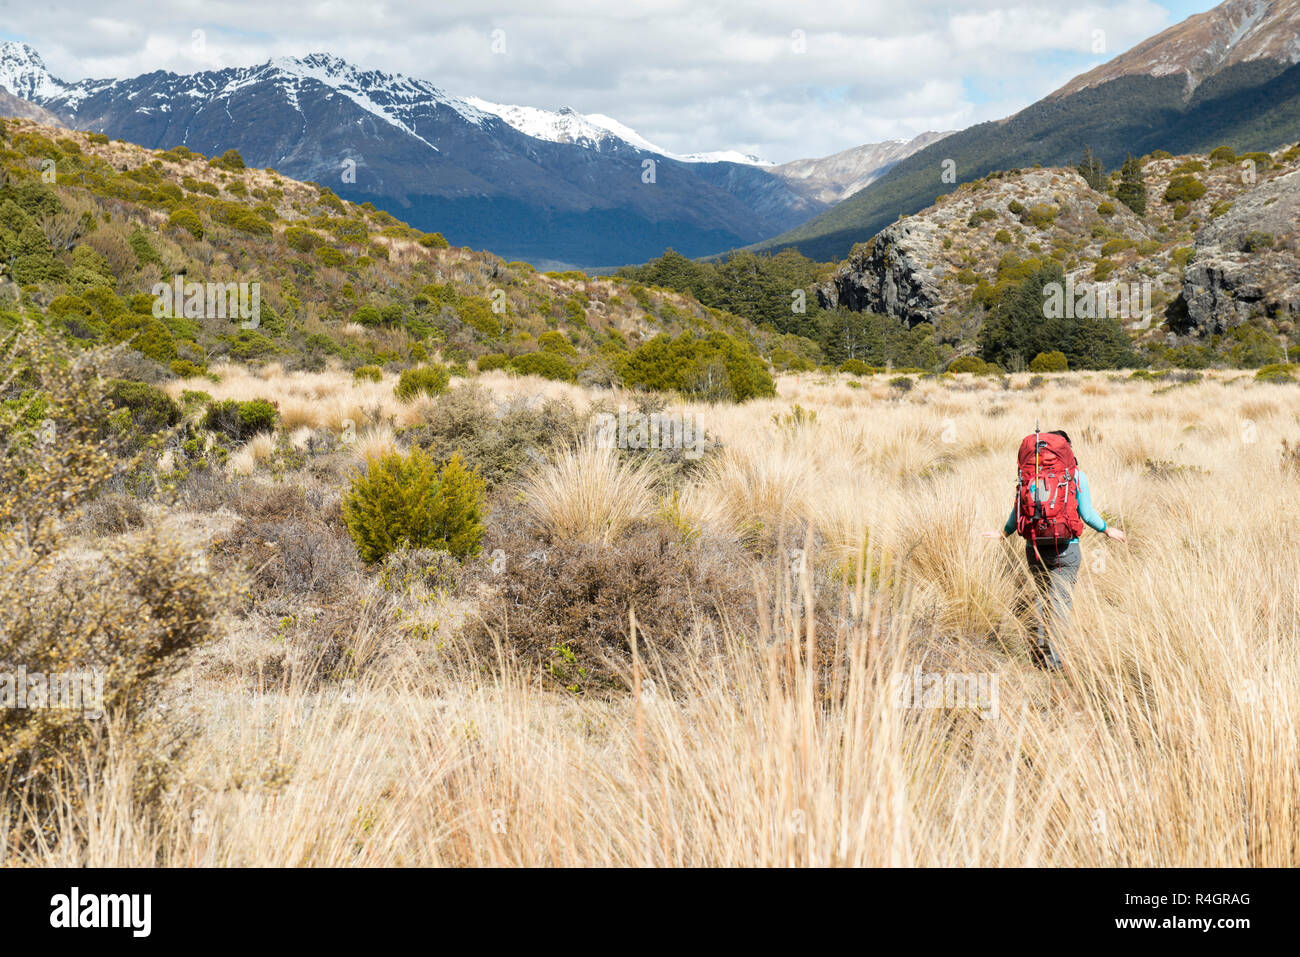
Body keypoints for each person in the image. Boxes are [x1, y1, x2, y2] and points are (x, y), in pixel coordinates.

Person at [983, 430, 1126, 670]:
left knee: (1041, 598)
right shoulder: (1076, 476)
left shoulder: (1029, 475)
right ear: (1067, 450)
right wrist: (1106, 529)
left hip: (1034, 547)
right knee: (1059, 602)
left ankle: (1039, 656)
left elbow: (1017, 510)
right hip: (1065, 550)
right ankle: (1056, 661)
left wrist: (1003, 533)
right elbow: (1087, 514)